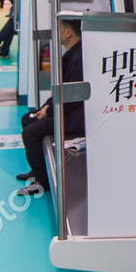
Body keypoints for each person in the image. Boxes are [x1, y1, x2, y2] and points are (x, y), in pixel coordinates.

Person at [15, 18, 83, 196]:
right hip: (65, 109)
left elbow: (73, 98)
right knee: (27, 119)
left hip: (76, 118)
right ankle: (37, 170)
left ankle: (42, 182)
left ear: (68, 32)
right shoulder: (71, 55)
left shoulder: (79, 59)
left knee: (30, 132)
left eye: (59, 29)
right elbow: (60, 92)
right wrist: (45, 108)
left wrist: (49, 110)